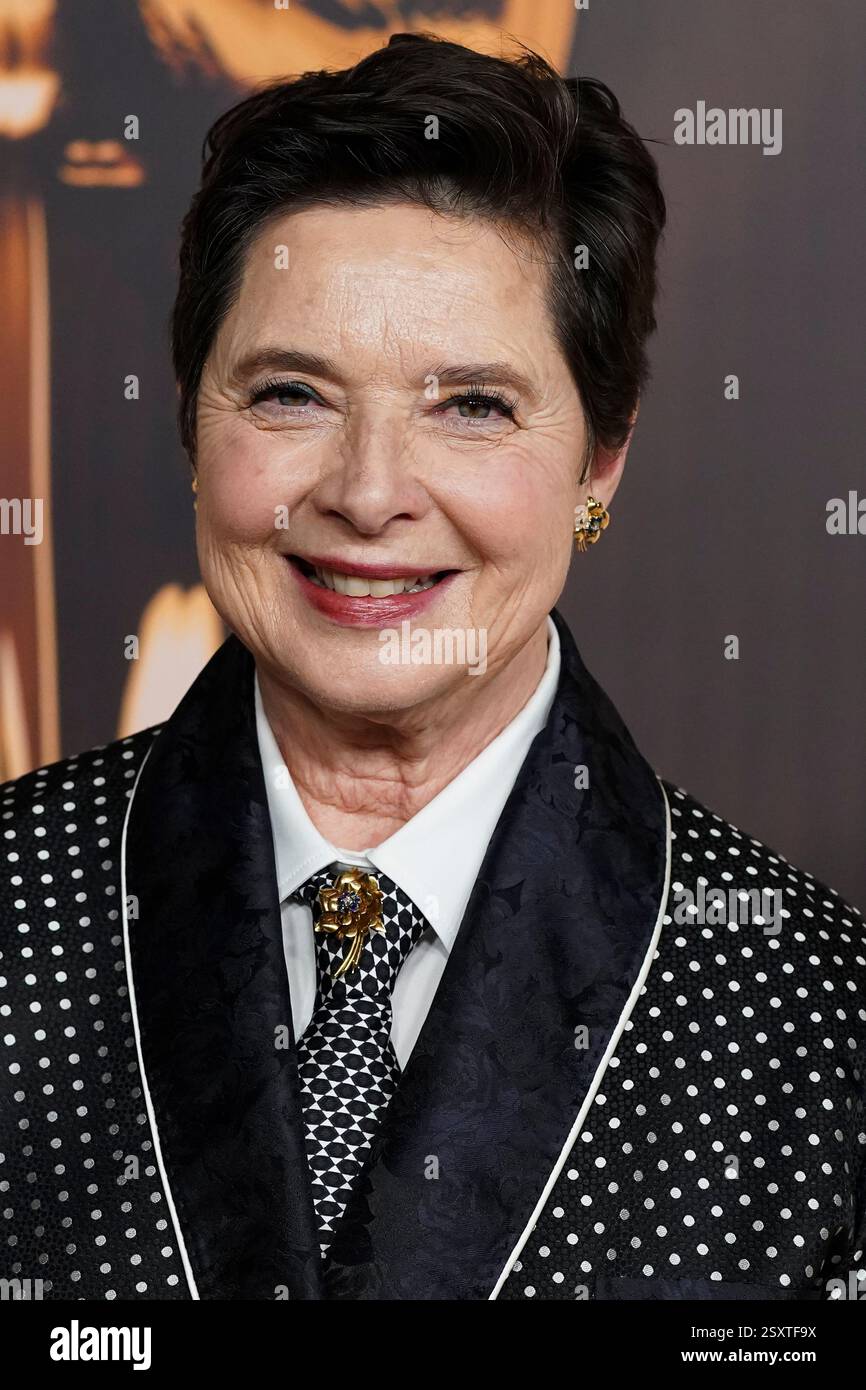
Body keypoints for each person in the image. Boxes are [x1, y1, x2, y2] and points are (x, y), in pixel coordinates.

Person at [1, 33, 863, 1302]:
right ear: (192, 420)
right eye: (291, 393)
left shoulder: (811, 1022)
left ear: (600, 460)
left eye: (471, 406)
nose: (365, 494)